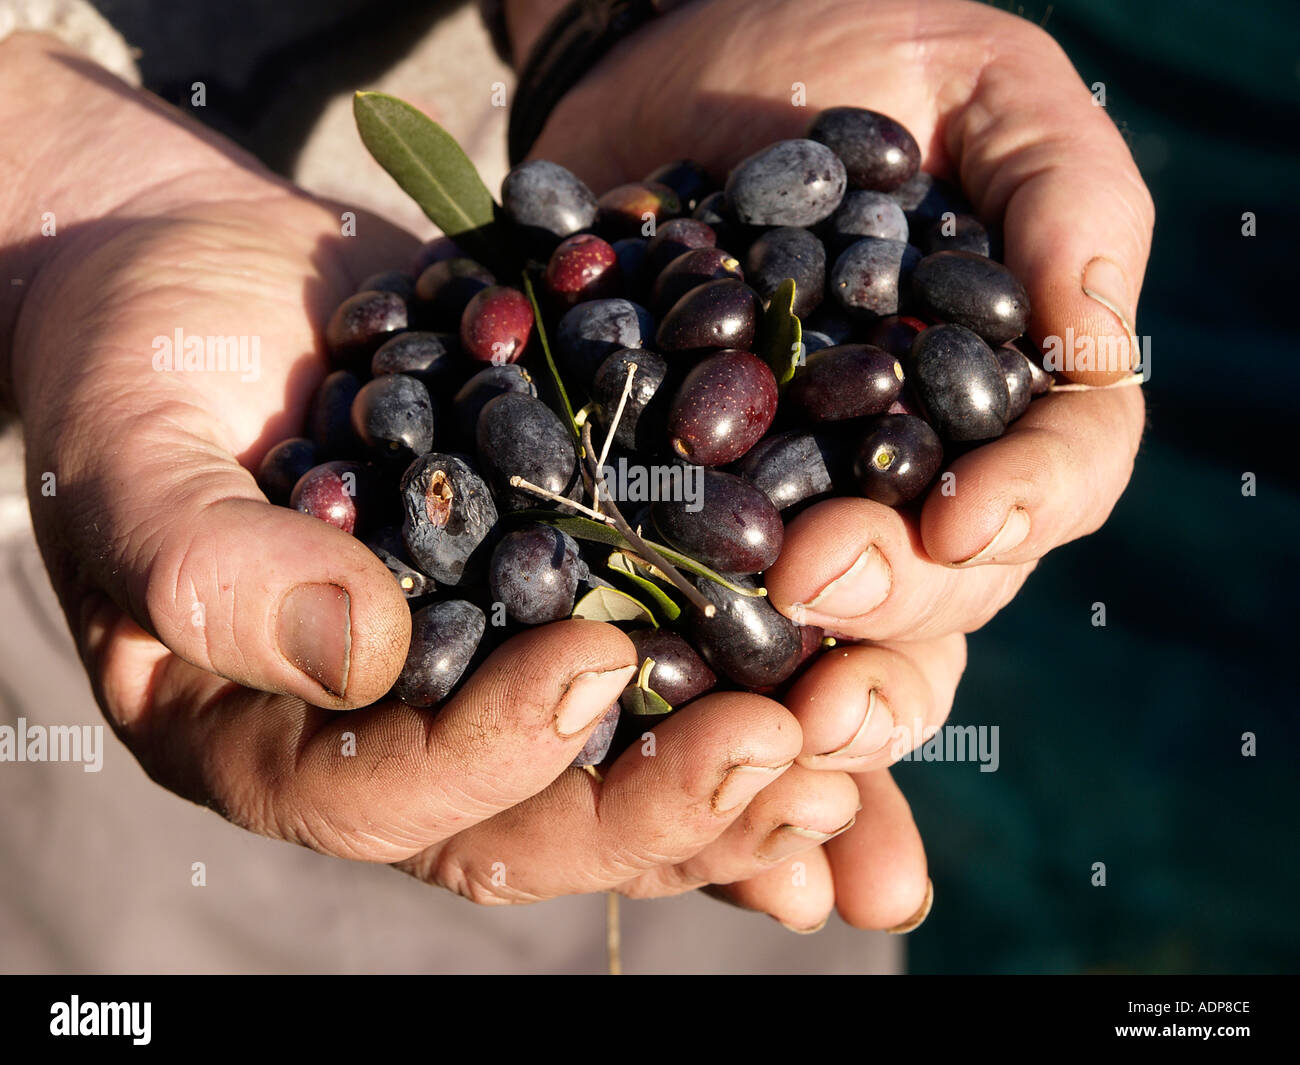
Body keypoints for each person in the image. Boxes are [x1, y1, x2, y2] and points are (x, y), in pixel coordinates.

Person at [0, 0, 1151, 940]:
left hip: (680, 781)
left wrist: (636, 22)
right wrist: (50, 202)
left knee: (728, 814)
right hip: (92, 508)